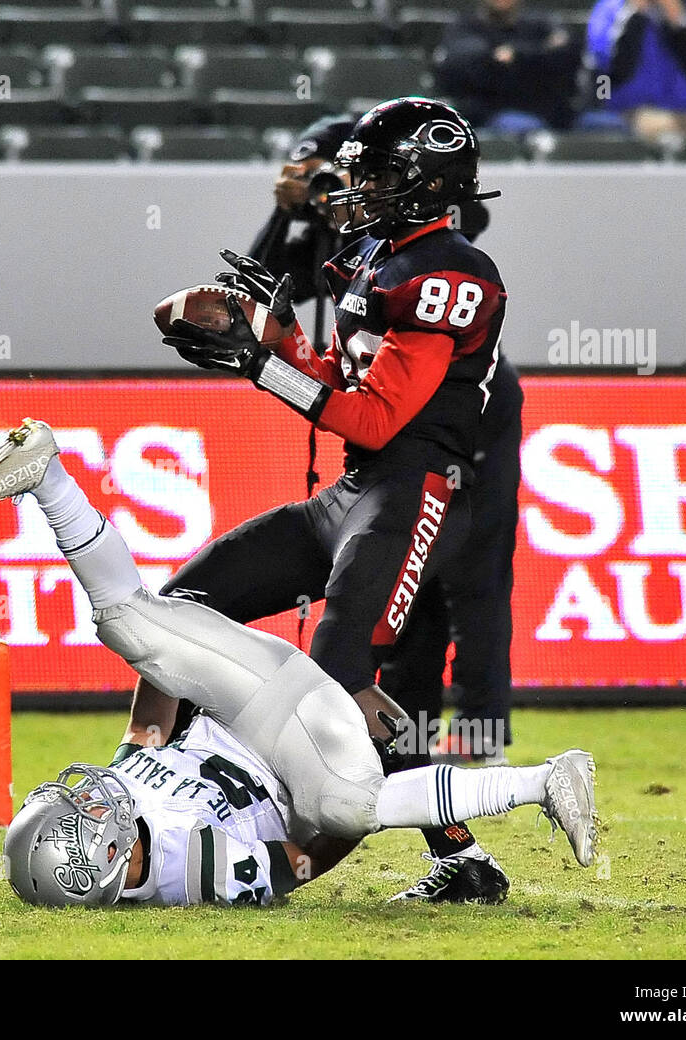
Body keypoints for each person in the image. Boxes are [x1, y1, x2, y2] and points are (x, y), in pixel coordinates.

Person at [0, 419, 598, 908]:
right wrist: (356, 794)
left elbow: (146, 726)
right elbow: (298, 864)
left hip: (248, 696)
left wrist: (170, 653)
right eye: (81, 818)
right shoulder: (187, 871)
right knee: (348, 804)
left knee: (126, 621)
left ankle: (48, 476)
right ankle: (547, 781)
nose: (88, 797)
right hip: (306, 757)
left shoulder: (123, 790)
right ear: (102, 861)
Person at [137, 97, 517, 904]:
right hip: (353, 487)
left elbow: (378, 416)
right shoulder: (368, 255)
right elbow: (338, 377)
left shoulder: (451, 273)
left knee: (340, 684)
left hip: (411, 488)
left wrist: (259, 366)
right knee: (179, 606)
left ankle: (332, 864)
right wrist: (276, 338)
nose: (359, 189)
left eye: (376, 175)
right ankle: (142, 770)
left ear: (424, 184)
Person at [584, 0, 686, 142]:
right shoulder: (610, 8)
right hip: (629, 113)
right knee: (654, 128)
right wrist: (636, 16)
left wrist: (679, 23)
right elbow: (602, 74)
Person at [433, 0, 581, 132]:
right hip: (487, 113)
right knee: (525, 126)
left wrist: (516, 54)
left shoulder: (540, 23)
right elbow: (474, 65)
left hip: (545, 110)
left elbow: (566, 51)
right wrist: (536, 54)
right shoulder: (464, 28)